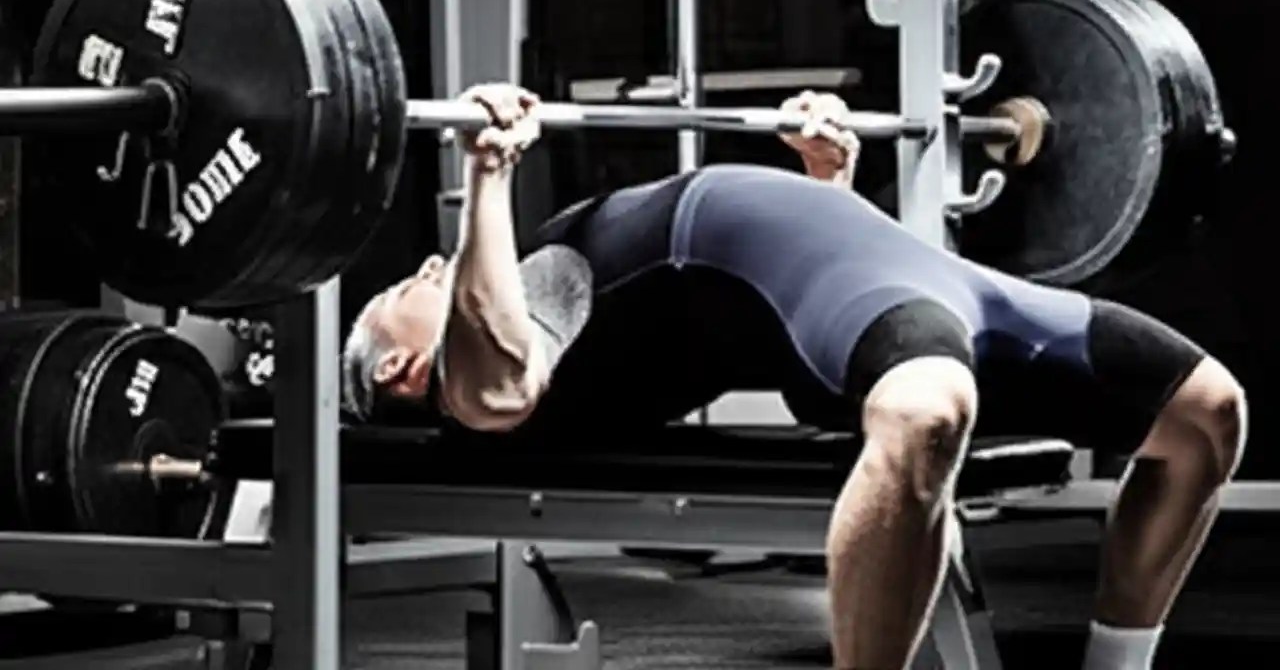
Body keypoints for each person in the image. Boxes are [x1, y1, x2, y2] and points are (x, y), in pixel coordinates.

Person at [341, 83, 1247, 670]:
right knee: (929, 413)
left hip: (904, 281)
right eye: (399, 290)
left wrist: (826, 178)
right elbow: (497, 392)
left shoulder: (516, 284)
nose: (424, 266)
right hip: (866, 306)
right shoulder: (512, 323)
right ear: (399, 366)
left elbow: (787, 281)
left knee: (1209, 413)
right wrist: (488, 172)